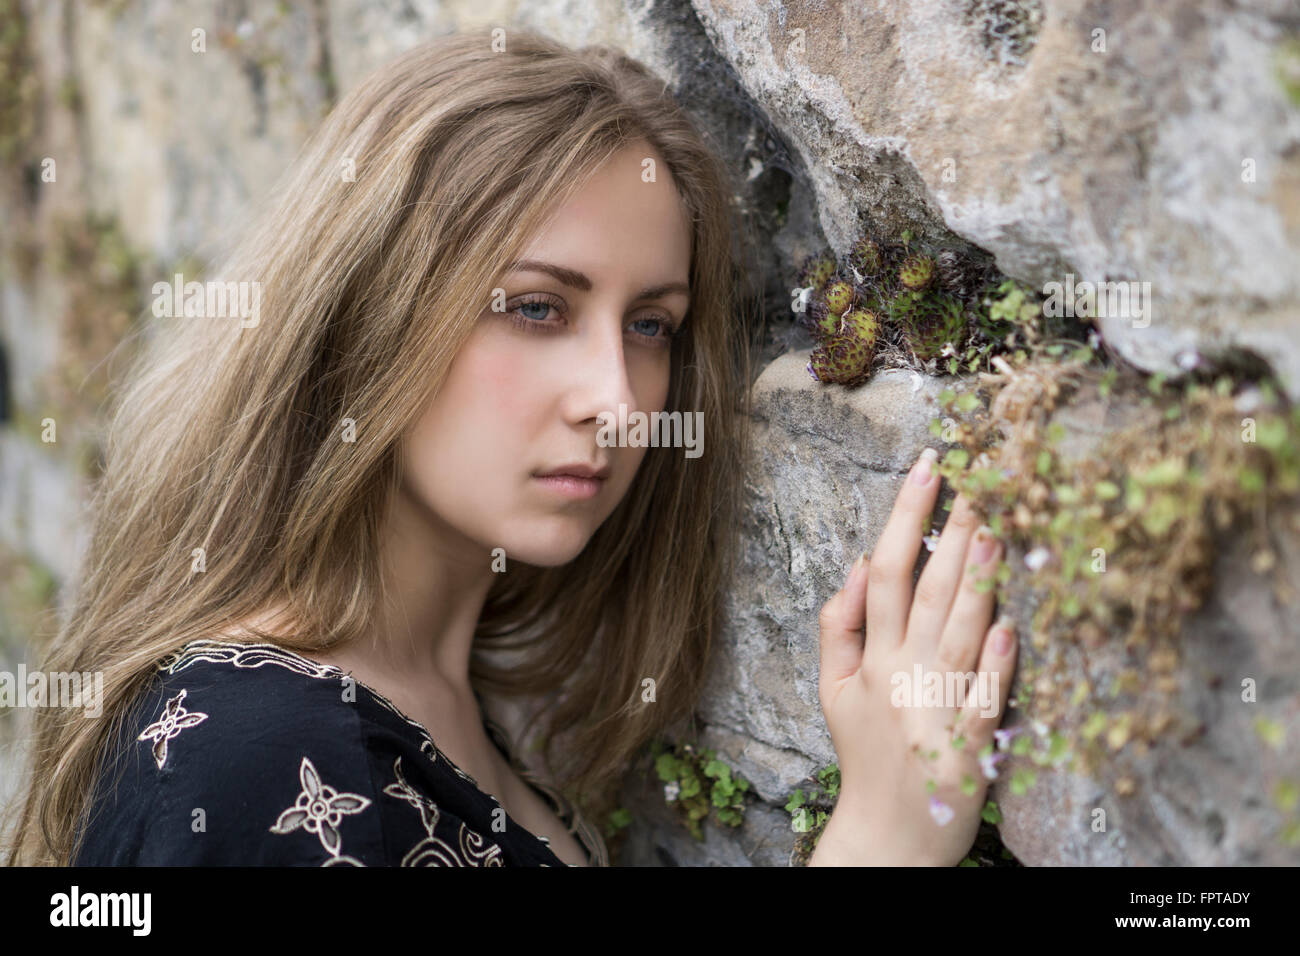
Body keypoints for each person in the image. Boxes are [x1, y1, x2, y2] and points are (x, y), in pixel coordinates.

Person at [2, 27, 1013, 868]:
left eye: (650, 324)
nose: (617, 400)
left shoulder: (429, 700)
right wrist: (883, 834)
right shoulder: (264, 761)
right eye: (536, 307)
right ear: (370, 311)